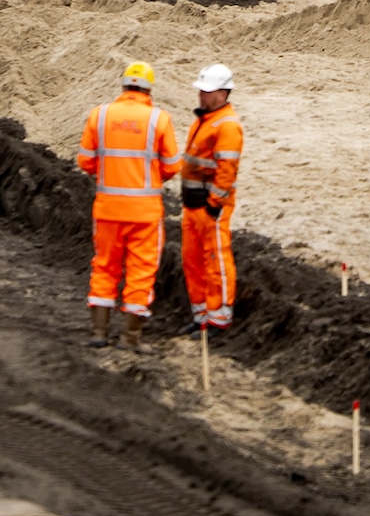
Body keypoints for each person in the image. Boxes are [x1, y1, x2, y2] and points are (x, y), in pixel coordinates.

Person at [77, 60, 181, 348]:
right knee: (141, 271)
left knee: (105, 266)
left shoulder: (100, 115)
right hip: (145, 213)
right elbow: (172, 166)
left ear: (123, 86)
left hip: (107, 208)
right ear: (150, 90)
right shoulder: (159, 120)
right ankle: (130, 337)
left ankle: (99, 333)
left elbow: (85, 161)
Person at [180, 64, 245, 333]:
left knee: (216, 262)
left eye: (207, 92)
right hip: (193, 206)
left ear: (223, 93)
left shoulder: (226, 126)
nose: (202, 96)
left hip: (210, 208)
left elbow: (226, 172)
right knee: (192, 261)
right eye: (201, 91)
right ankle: (201, 315)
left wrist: (214, 205)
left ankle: (219, 319)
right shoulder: (204, 120)